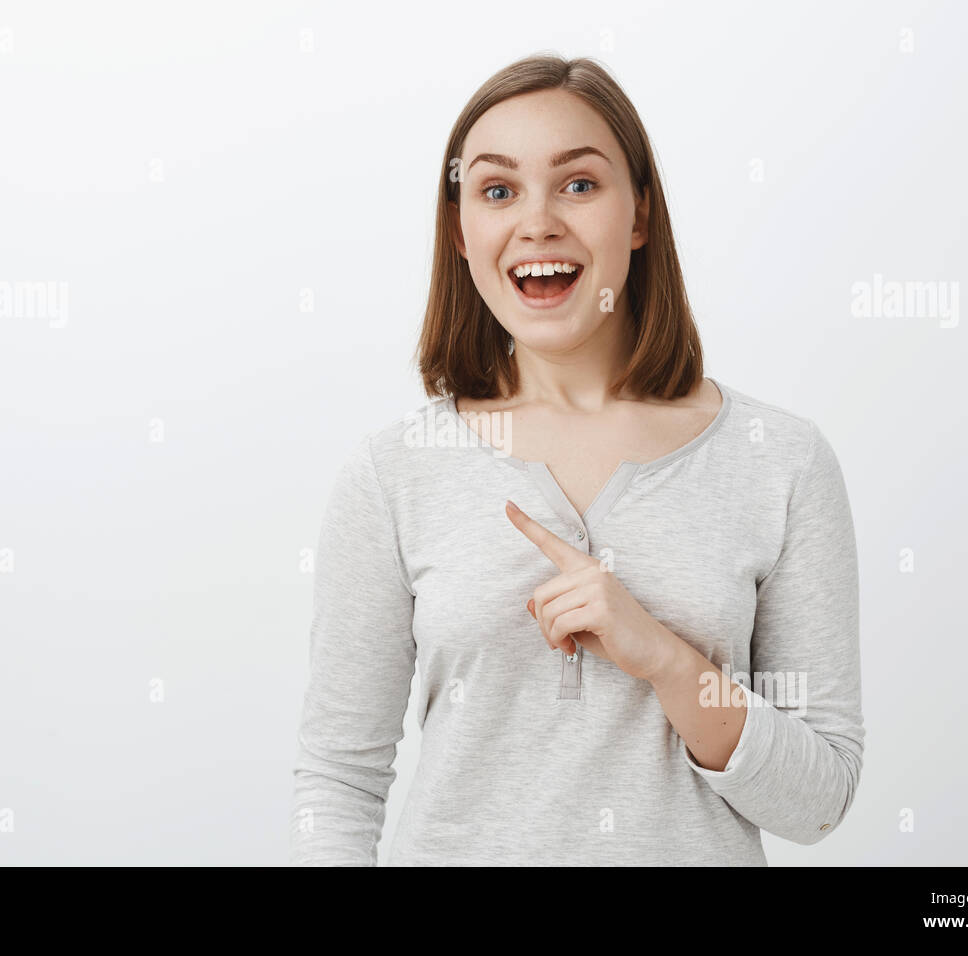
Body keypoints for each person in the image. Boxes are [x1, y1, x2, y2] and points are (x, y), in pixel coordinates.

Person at [289, 53, 864, 866]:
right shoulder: (391, 474)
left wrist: (665, 660)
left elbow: (820, 801)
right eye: (497, 191)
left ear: (639, 215)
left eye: (579, 184)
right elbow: (339, 783)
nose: (537, 223)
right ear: (462, 233)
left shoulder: (782, 463)